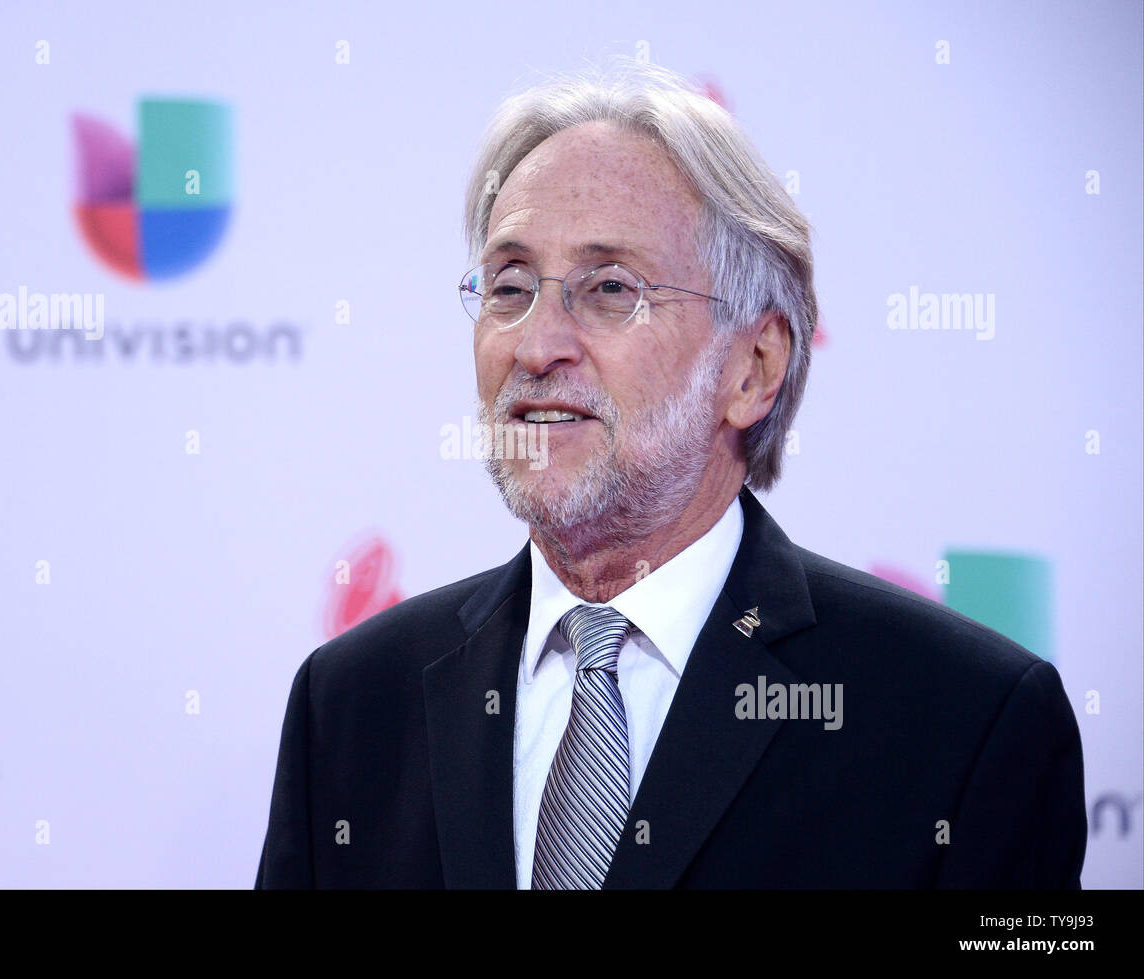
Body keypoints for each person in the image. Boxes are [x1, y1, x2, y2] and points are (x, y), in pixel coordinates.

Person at [255, 59, 1086, 889]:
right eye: (510, 287)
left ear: (753, 368)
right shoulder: (355, 703)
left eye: (611, 288)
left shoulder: (962, 721)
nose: (536, 345)